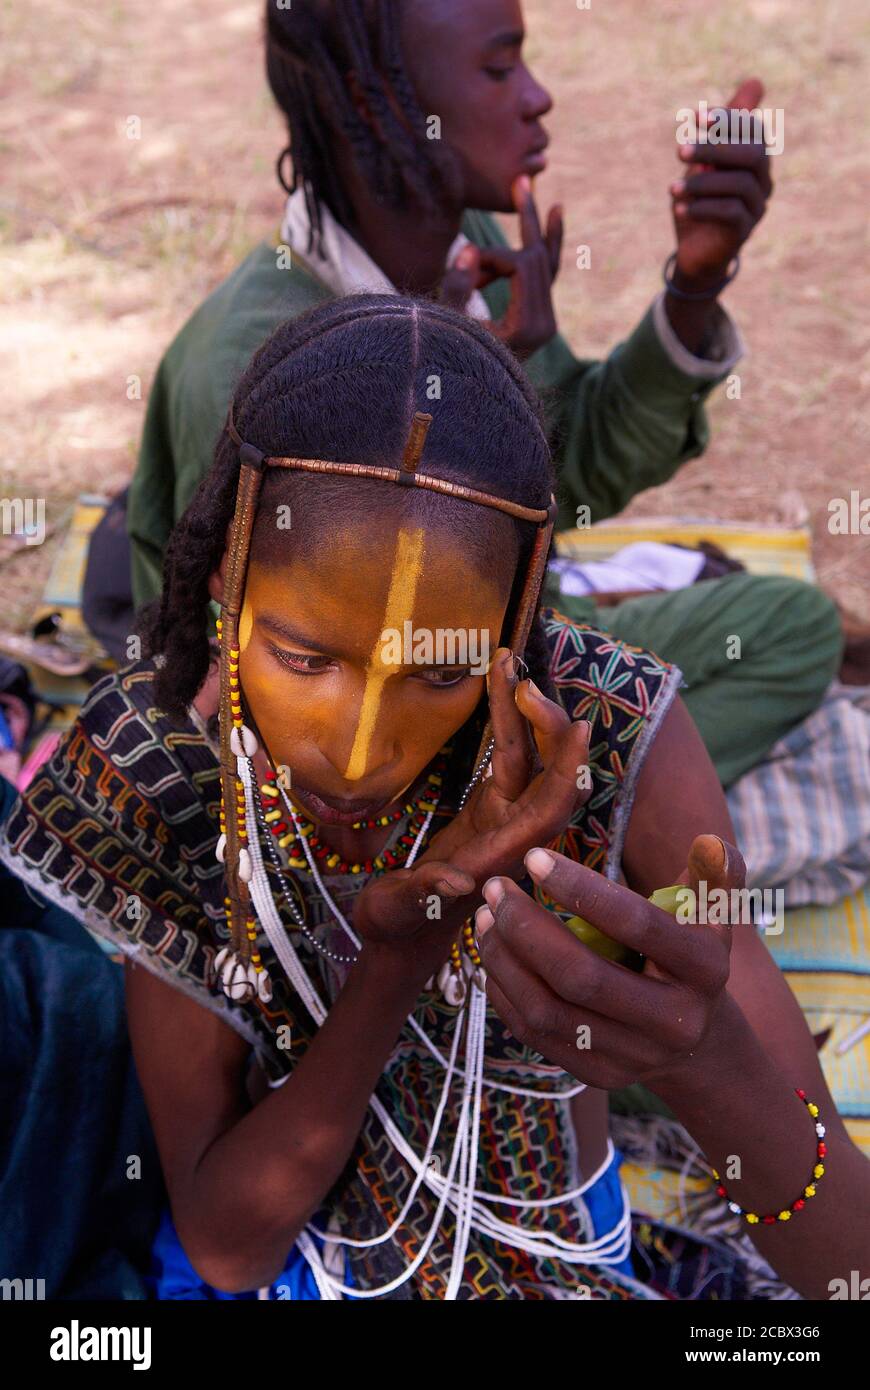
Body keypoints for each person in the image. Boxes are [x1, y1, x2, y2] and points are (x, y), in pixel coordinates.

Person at [4, 297, 866, 1300]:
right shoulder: (164, 767)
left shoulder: (613, 735)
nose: (361, 751)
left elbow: (845, 1263)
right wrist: (396, 962)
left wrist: (705, 1061)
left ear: (519, 605)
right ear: (224, 581)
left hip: (559, 1258)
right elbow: (229, 1247)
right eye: (301, 654)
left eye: (440, 671)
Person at [121, 0, 842, 788]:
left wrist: (693, 285)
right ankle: (559, 819)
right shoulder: (248, 369)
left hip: (505, 633)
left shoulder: (469, 245)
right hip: (378, 716)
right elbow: (317, 683)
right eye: (500, 68)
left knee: (797, 626)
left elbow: (583, 472)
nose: (537, 97)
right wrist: (456, 420)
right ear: (376, 101)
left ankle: (571, 804)